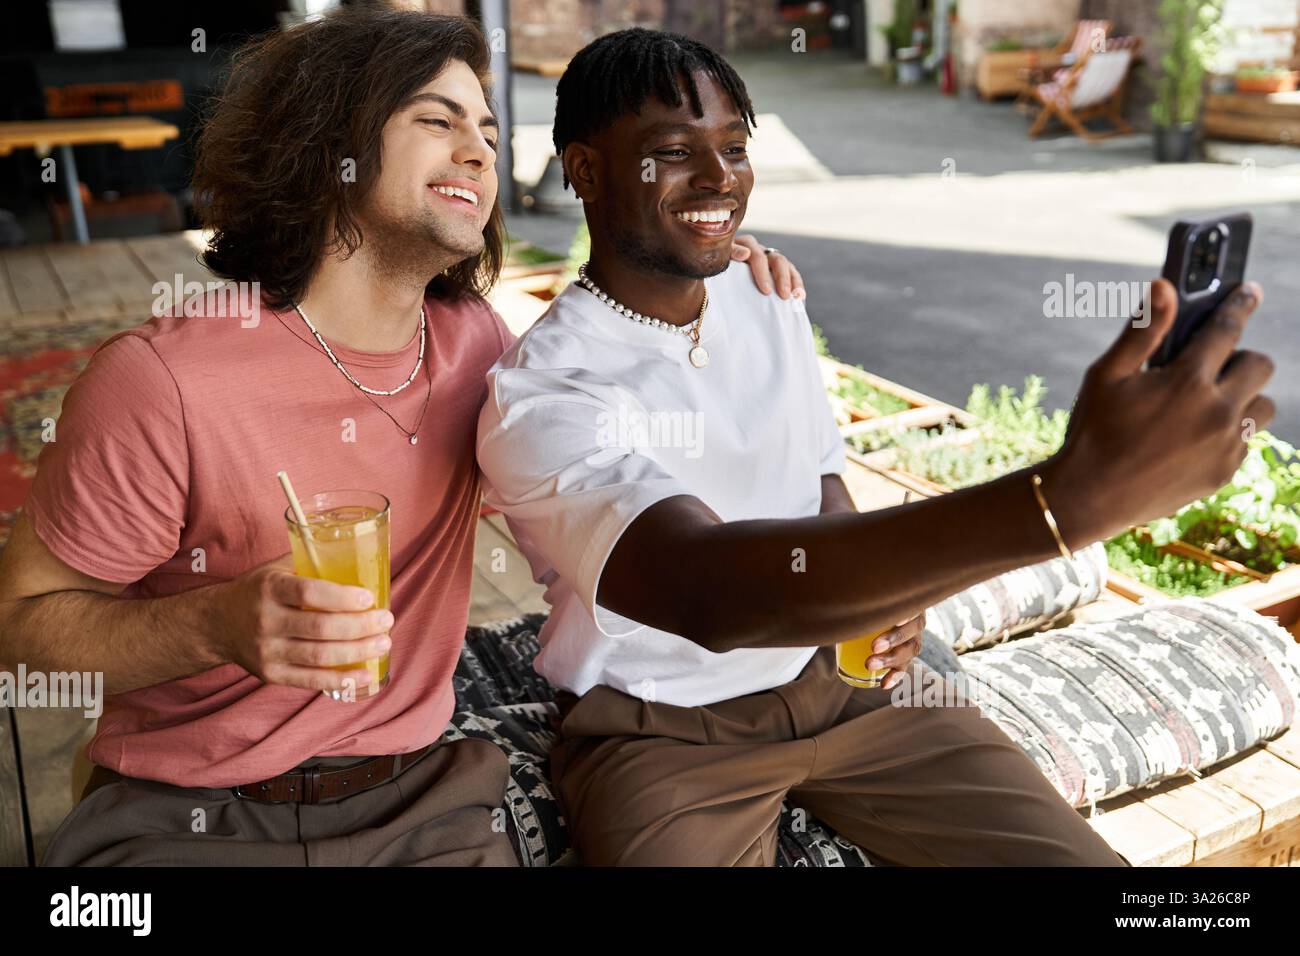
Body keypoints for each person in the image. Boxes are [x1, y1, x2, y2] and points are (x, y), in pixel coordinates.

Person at [0, 9, 800, 867]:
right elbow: (20, 635)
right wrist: (213, 627)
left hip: (421, 800)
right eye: (437, 120)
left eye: (487, 133)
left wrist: (704, 267)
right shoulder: (164, 383)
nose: (480, 152)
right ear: (328, 145)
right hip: (189, 813)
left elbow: (607, 431)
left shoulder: (479, 352)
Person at [476, 28, 1275, 866]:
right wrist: (1062, 504)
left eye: (736, 147)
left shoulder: (763, 295)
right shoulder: (543, 396)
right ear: (587, 169)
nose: (719, 179)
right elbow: (708, 592)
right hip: (667, 735)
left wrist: (885, 597)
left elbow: (819, 477)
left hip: (854, 689)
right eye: (675, 152)